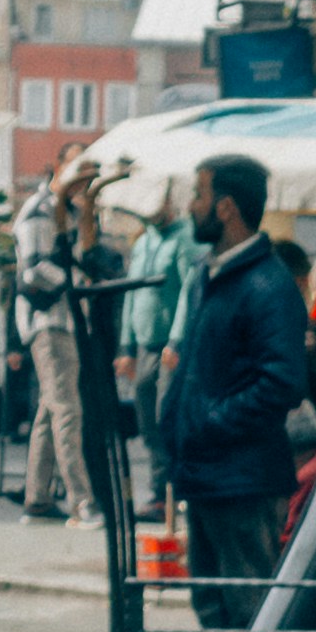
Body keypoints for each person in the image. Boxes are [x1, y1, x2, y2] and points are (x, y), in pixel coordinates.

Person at [164, 147, 310, 632]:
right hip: (208, 474)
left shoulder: (267, 285)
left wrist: (207, 424)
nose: (190, 207)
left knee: (249, 612)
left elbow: (281, 383)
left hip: (241, 477)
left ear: (225, 207)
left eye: (197, 196)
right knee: (217, 610)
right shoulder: (212, 276)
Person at [13, 173, 103, 528]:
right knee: (67, 410)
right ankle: (83, 502)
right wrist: (78, 284)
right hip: (48, 321)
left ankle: (37, 499)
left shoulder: (71, 211)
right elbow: (34, 270)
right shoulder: (40, 211)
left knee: (50, 411)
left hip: (64, 321)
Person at [118, 178, 201, 524]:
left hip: (168, 344)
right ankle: (157, 489)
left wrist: (178, 340)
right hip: (143, 343)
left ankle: (167, 491)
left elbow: (189, 290)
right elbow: (131, 293)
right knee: (146, 419)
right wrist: (126, 345)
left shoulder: (185, 238)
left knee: (166, 416)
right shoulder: (143, 242)